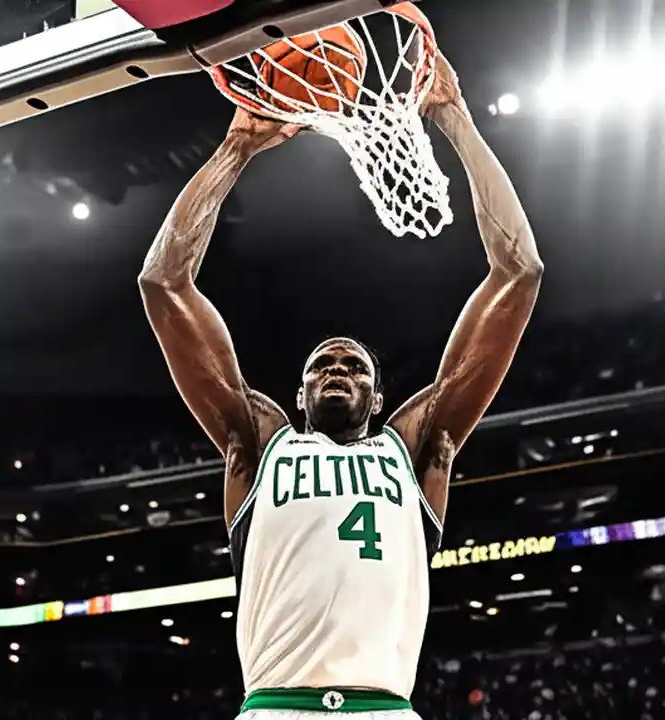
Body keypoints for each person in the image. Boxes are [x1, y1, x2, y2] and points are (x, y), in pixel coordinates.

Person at [138, 53, 542, 719]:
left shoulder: (417, 446)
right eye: (322, 366)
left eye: (354, 367)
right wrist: (236, 148)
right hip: (275, 705)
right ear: (297, 397)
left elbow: (520, 271)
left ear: (381, 400)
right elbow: (162, 283)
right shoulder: (258, 444)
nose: (337, 371)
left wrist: (455, 120)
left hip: (384, 708)